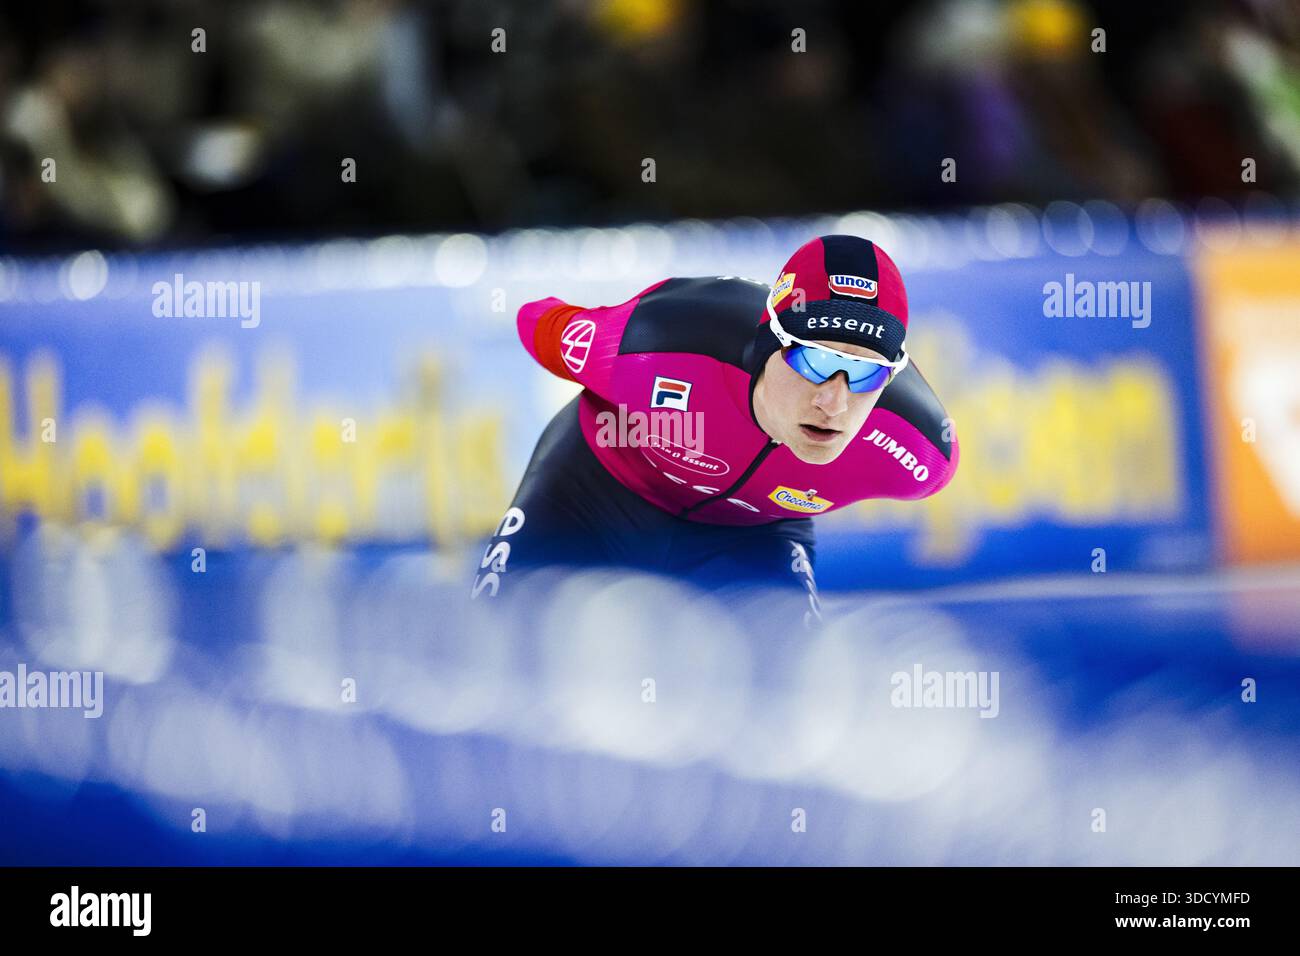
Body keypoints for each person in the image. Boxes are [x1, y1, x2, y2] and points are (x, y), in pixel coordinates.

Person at [472, 234, 959, 627]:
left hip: (752, 536)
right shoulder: (658, 347)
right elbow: (536, 320)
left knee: (790, 695)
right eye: (814, 360)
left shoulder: (918, 452)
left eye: (865, 373)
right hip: (593, 495)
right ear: (770, 342)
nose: (834, 402)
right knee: (498, 651)